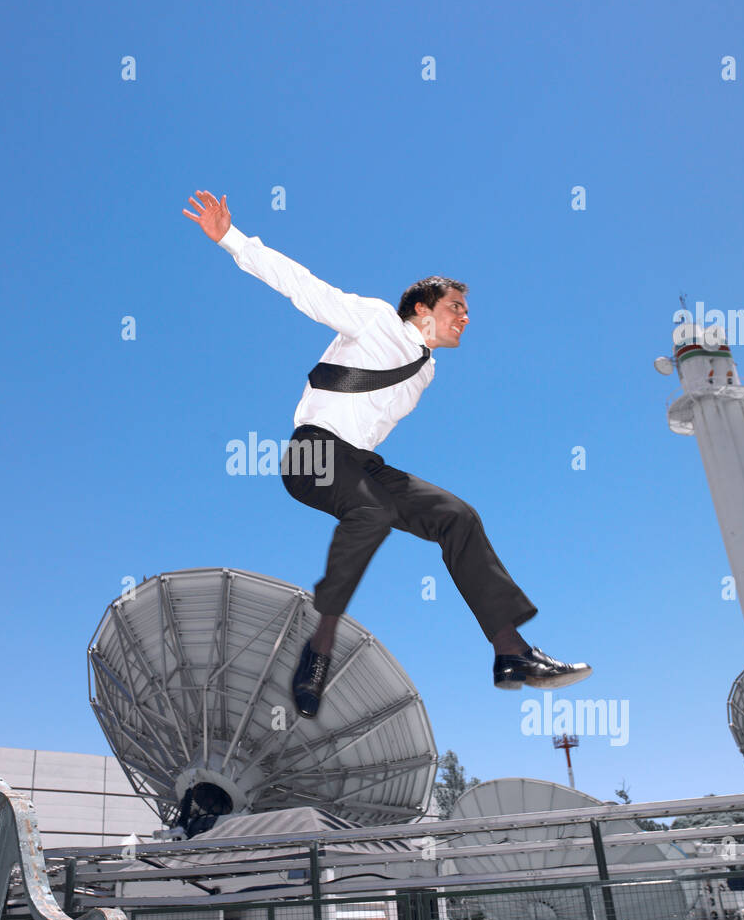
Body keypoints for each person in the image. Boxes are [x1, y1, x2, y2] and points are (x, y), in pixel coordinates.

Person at [184, 190, 590, 718]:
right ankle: (319, 649)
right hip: (313, 453)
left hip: (361, 464)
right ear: (422, 309)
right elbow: (303, 287)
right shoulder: (375, 319)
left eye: (467, 310)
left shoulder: (427, 369)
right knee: (372, 510)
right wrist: (232, 239)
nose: (465, 318)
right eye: (455, 308)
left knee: (457, 517)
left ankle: (510, 652)